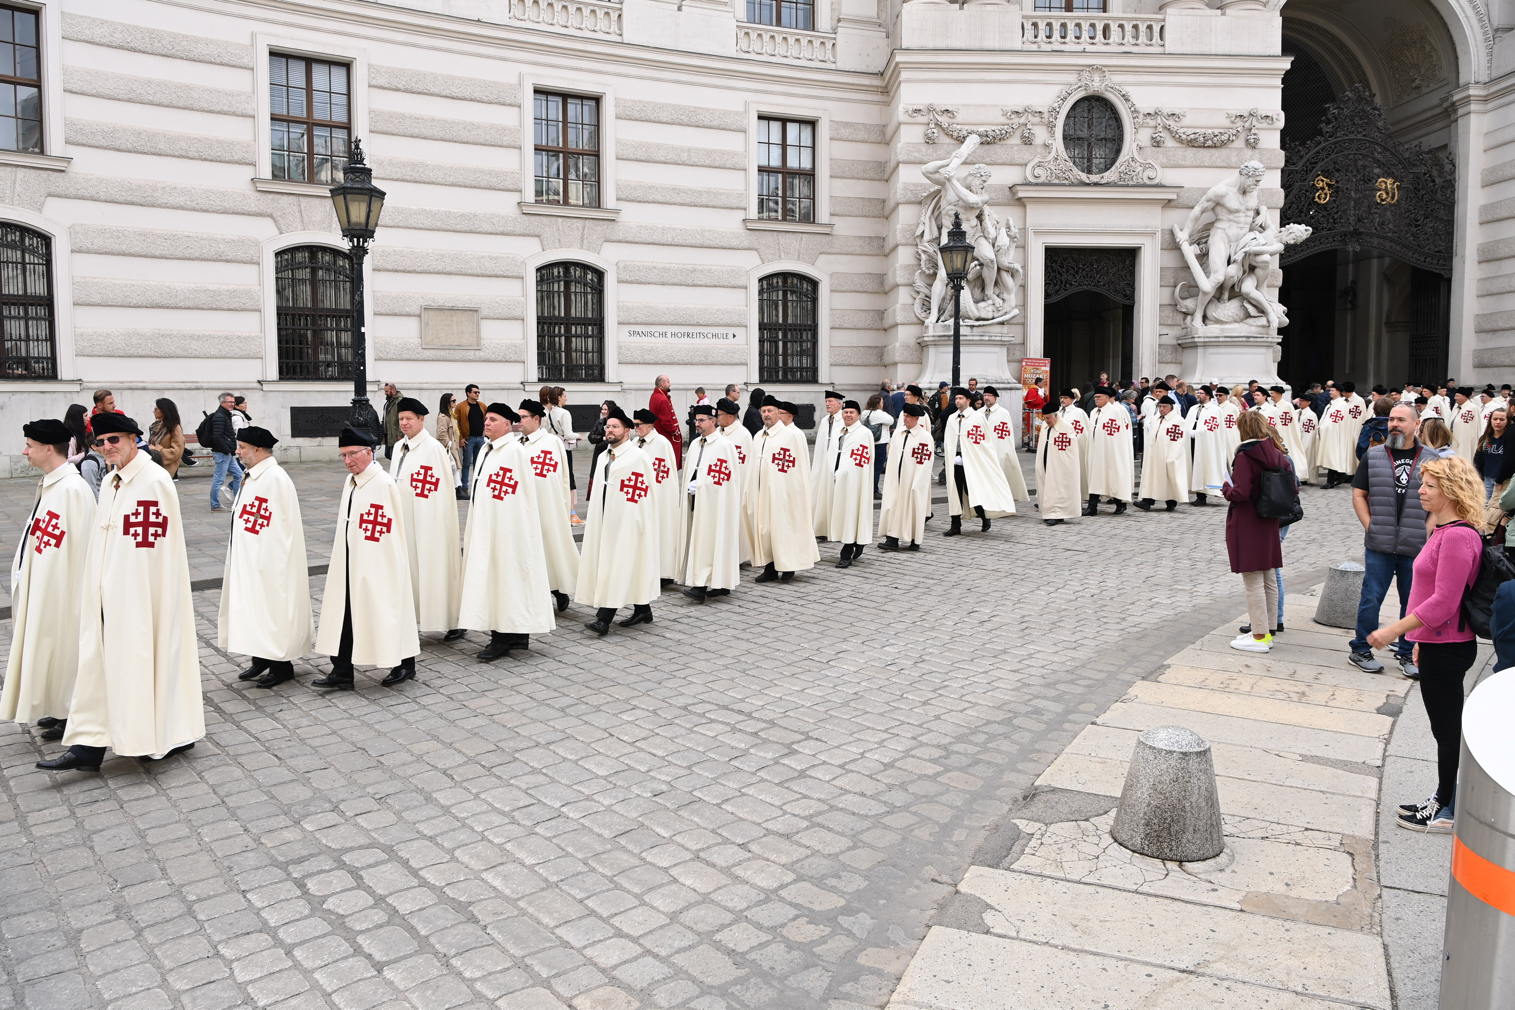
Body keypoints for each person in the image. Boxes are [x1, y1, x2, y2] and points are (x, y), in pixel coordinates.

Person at [37, 413, 202, 772]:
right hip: (106, 595)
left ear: (132, 439)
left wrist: (134, 596)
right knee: (98, 667)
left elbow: (155, 551)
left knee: (139, 665)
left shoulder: (154, 481)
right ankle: (89, 746)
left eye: (115, 440)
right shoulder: (112, 480)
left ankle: (156, 735)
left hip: (139, 598)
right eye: (101, 442)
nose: (108, 447)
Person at [1367, 457, 1485, 832]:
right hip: (1438, 643)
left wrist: (1393, 630)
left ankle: (1445, 807)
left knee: (1447, 730)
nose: (1421, 490)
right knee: (1444, 728)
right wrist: (1418, 640)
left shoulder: (1457, 536)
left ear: (1450, 491)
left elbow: (1444, 602)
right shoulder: (1445, 531)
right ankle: (1445, 799)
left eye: (1430, 485)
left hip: (1449, 647)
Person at [2, 419, 95, 741]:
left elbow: (83, 547)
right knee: (49, 648)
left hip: (64, 590)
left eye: (29, 445)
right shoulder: (52, 483)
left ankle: (72, 712)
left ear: (46, 448)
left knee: (65, 648)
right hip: (46, 585)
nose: (24, 451)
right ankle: (58, 707)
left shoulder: (72, 488)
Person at [312, 428, 421, 690]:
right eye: (343, 456)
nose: (347, 461)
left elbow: (388, 529)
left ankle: (405, 664)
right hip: (350, 561)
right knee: (344, 615)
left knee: (386, 610)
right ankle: (341, 671)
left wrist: (381, 565)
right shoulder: (352, 482)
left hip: (377, 563)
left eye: (352, 454)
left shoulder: (382, 484)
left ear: (369, 453)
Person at [458, 403, 556, 661]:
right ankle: (512, 634)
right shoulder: (486, 451)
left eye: (493, 419)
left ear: (506, 424)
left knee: (505, 581)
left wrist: (513, 531)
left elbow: (521, 496)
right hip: (486, 526)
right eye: (486, 419)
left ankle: (502, 637)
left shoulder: (515, 452)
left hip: (508, 531)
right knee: (494, 580)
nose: (487, 423)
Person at [217, 426, 313, 689]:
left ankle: (282, 667)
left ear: (258, 449)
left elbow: (283, 527)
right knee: (252, 608)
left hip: (268, 561)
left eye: (243, 448)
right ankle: (260, 659)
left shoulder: (275, 479)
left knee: (271, 610)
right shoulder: (253, 475)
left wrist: (269, 560)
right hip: (248, 556)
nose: (238, 452)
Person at [1348, 403, 1427, 677]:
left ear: (1416, 424)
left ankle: (1408, 653)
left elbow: (1441, 500)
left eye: (1401, 420)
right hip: (1379, 544)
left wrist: (1427, 531)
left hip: (1416, 545)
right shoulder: (1373, 455)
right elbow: (1359, 494)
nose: (1394, 424)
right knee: (1371, 598)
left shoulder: (1432, 459)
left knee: (1413, 601)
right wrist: (1371, 526)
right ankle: (1360, 648)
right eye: (1392, 419)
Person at [577, 407, 660, 634]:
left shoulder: (638, 457)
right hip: (605, 519)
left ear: (627, 430)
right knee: (622, 566)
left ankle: (604, 619)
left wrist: (636, 522)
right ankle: (643, 609)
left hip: (627, 522)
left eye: (615, 426)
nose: (609, 430)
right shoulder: (605, 455)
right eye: (607, 426)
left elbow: (644, 493)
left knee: (617, 565)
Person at [389, 397, 464, 642]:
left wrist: (434, 521)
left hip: (429, 521)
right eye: (401, 419)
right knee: (409, 570)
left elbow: (441, 489)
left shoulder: (433, 449)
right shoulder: (399, 447)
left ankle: (452, 619)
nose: (404, 423)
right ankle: (413, 617)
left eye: (409, 419)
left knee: (436, 569)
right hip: (405, 519)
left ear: (422, 420)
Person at [1222, 410, 1291, 653]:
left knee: (1252, 579)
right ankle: (1267, 631)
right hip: (1269, 519)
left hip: (1249, 519)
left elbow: (1240, 492)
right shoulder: (1275, 451)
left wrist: (1226, 489)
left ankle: (1259, 636)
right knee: (1268, 578)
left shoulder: (1246, 455)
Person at [746, 395, 820, 582]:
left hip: (785, 493)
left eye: (770, 411)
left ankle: (788, 566)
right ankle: (770, 567)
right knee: (766, 531)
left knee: (784, 529)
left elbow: (801, 467)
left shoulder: (792, 435)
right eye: (763, 411)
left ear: (779, 413)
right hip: (763, 493)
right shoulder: (758, 436)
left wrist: (798, 492)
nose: (766, 414)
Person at [517, 398, 579, 613]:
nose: (520, 421)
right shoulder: (517, 443)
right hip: (522, 510)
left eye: (524, 417)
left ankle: (558, 591)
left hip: (545, 508)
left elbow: (555, 479)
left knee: (549, 552)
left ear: (537, 419)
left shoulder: (550, 443)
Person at [678, 405, 741, 602]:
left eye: (702, 420)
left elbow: (727, 479)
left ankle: (700, 585)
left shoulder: (724, 446)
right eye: (696, 420)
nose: (697, 424)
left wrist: (703, 486)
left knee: (709, 540)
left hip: (715, 504)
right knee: (700, 540)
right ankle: (719, 583)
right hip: (696, 499)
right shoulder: (696, 444)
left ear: (713, 421)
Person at [941, 386, 1015, 535]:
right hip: (955, 460)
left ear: (968, 400)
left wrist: (972, 455)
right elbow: (948, 440)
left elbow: (983, 441)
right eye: (956, 398)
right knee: (954, 492)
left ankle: (984, 517)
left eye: (961, 398)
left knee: (972, 490)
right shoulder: (952, 418)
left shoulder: (977, 417)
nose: (958, 401)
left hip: (971, 460)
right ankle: (955, 525)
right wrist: (950, 457)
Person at [632, 408, 683, 583]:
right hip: (639, 495)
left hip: (660, 496)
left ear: (649, 425)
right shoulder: (634, 442)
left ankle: (664, 572)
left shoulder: (662, 443)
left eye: (638, 425)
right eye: (634, 425)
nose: (635, 428)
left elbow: (667, 474)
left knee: (662, 531)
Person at [823, 400, 875, 568]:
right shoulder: (840, 431)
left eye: (852, 412)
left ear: (858, 415)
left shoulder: (864, 433)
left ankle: (847, 551)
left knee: (853, 512)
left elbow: (865, 460)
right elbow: (833, 454)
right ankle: (855, 541)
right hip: (838, 480)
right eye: (845, 412)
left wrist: (849, 473)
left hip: (855, 482)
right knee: (843, 514)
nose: (848, 415)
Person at [878, 403, 935, 550]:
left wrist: (918, 481)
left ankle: (914, 540)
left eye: (908, 416)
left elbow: (926, 461)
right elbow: (893, 453)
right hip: (896, 478)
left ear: (916, 418)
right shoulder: (898, 433)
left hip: (912, 478)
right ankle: (892, 538)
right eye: (904, 415)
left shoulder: (925, 437)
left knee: (912, 507)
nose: (905, 419)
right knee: (893, 505)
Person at [1085, 386, 1134, 516]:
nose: (1096, 399)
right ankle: (1092, 507)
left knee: (1112, 477)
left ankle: (1120, 503)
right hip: (1096, 450)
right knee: (1095, 477)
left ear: (1107, 398)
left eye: (1099, 397)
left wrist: (1116, 450)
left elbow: (1119, 434)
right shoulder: (1094, 412)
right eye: (1095, 397)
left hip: (1111, 451)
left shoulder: (1115, 412)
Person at [1135, 398, 1191, 511]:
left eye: (1164, 407)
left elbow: (1178, 440)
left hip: (1169, 454)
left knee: (1169, 479)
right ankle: (1147, 501)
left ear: (1171, 407)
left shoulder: (1178, 421)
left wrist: (1173, 456)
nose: (1161, 409)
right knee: (1153, 478)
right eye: (1160, 406)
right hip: (1155, 455)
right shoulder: (1156, 419)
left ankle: (1171, 502)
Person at [1034, 402, 1081, 526]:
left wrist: (1064, 465)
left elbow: (1070, 452)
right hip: (1045, 462)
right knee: (1047, 486)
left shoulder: (1066, 428)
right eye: (1044, 418)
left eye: (1048, 418)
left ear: (1056, 416)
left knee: (1057, 488)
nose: (1046, 420)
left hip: (1060, 466)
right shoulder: (1045, 426)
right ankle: (1049, 512)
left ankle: (1057, 514)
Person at [981, 386, 1029, 502]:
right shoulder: (978, 413)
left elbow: (1006, 435)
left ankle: (999, 501)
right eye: (985, 395)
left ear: (995, 398)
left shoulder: (1003, 413)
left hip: (999, 450)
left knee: (998, 477)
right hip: (982, 451)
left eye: (989, 395)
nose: (986, 398)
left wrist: (1005, 451)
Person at [542, 386, 582, 523]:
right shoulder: (564, 413)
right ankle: (572, 513)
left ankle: (558, 511)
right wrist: (578, 436)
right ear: (559, 397)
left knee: (556, 479)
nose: (566, 398)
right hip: (564, 450)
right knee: (569, 479)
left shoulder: (548, 412)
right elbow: (568, 434)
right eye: (564, 395)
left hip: (552, 450)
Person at [811, 390, 847, 534]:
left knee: (834, 495)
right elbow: (820, 443)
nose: (827, 404)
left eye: (830, 401)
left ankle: (834, 527)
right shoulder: (825, 420)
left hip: (836, 463)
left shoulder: (844, 419)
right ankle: (821, 527)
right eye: (826, 401)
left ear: (839, 404)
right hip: (822, 463)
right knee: (820, 494)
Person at [207, 391, 243, 512]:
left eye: (233, 402)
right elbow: (217, 437)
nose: (232, 404)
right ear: (222, 402)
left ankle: (238, 501)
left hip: (228, 453)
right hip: (223, 453)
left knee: (239, 475)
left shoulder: (225, 414)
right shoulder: (220, 416)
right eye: (230, 402)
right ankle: (215, 504)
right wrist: (227, 449)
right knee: (219, 479)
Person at [63, 403, 105, 497]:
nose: (88, 418)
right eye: (85, 416)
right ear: (77, 418)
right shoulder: (70, 437)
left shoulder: (81, 432)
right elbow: (67, 459)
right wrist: (85, 453)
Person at [1473, 407, 1514, 501]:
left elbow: (1510, 461)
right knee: (1484, 506)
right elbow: (1478, 459)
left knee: (1496, 510)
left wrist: (1501, 479)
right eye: (1495, 419)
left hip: (1504, 481)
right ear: (1490, 420)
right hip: (1487, 479)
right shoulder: (1485, 438)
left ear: (1507, 421)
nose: (1498, 422)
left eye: (1502, 419)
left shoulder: (1510, 439)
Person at [453, 383, 487, 497]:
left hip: (480, 439)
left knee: (479, 464)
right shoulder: (460, 406)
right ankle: (464, 488)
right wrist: (460, 438)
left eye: (478, 392)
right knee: (466, 464)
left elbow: (487, 419)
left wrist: (485, 433)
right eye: (475, 392)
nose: (477, 394)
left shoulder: (482, 406)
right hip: (468, 439)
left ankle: (478, 487)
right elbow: (455, 423)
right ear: (468, 393)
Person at [863, 393, 894, 499]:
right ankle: (874, 490)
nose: (883, 403)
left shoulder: (865, 413)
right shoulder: (879, 414)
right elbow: (891, 420)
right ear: (878, 403)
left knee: (869, 467)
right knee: (877, 468)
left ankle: (867, 488)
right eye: (881, 402)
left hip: (868, 442)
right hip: (880, 443)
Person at [649, 374, 684, 467]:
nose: (670, 384)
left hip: (661, 434)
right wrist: (674, 431)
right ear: (662, 384)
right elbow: (666, 421)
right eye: (668, 382)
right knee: (670, 462)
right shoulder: (662, 399)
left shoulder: (656, 396)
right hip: (667, 436)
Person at [148, 397, 186, 479]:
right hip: (154, 466)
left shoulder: (175, 428)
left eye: (156, 409)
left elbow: (177, 452)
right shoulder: (156, 426)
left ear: (164, 411)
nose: (153, 411)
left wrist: (159, 450)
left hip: (165, 470)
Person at [436, 392, 465, 498]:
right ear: (447, 403)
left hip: (454, 446)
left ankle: (457, 489)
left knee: (455, 468)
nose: (455, 403)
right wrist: (449, 444)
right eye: (453, 401)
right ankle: (457, 490)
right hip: (448, 447)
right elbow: (441, 433)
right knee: (453, 468)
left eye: (455, 400)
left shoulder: (451, 415)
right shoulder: (443, 417)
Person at [1449, 386, 1481, 462]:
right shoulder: (1456, 407)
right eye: (1455, 396)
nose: (1455, 398)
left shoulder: (1472, 408)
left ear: (1464, 396)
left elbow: (1475, 426)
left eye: (1457, 396)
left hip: (1466, 440)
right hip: (1454, 439)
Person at [1355, 396, 1391, 461]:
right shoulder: (1395, 427)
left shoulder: (1368, 427)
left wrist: (1364, 461)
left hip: (1370, 462)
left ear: (1374, 411)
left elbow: (1360, 448)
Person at [381, 382, 402, 459]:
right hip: (388, 435)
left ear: (393, 390)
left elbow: (402, 419)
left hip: (395, 436)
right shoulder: (389, 402)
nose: (385, 393)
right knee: (388, 455)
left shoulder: (399, 401)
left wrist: (400, 435)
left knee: (394, 457)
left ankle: (397, 471)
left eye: (386, 391)